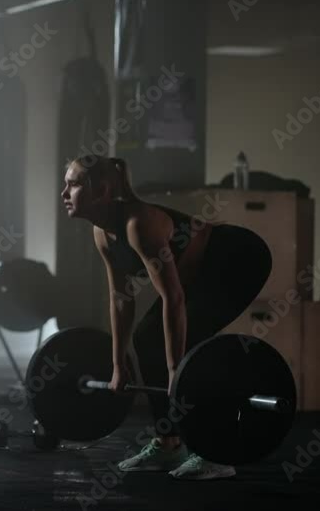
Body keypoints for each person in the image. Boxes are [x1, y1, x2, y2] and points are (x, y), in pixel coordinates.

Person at [60, 154, 271, 480]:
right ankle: (169, 443)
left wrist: (176, 371)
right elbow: (120, 300)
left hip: (238, 259)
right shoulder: (101, 234)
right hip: (200, 275)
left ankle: (215, 452)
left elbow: (173, 298)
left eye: (72, 185)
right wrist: (118, 362)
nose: (64, 193)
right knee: (147, 339)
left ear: (101, 190)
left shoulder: (138, 224)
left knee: (190, 348)